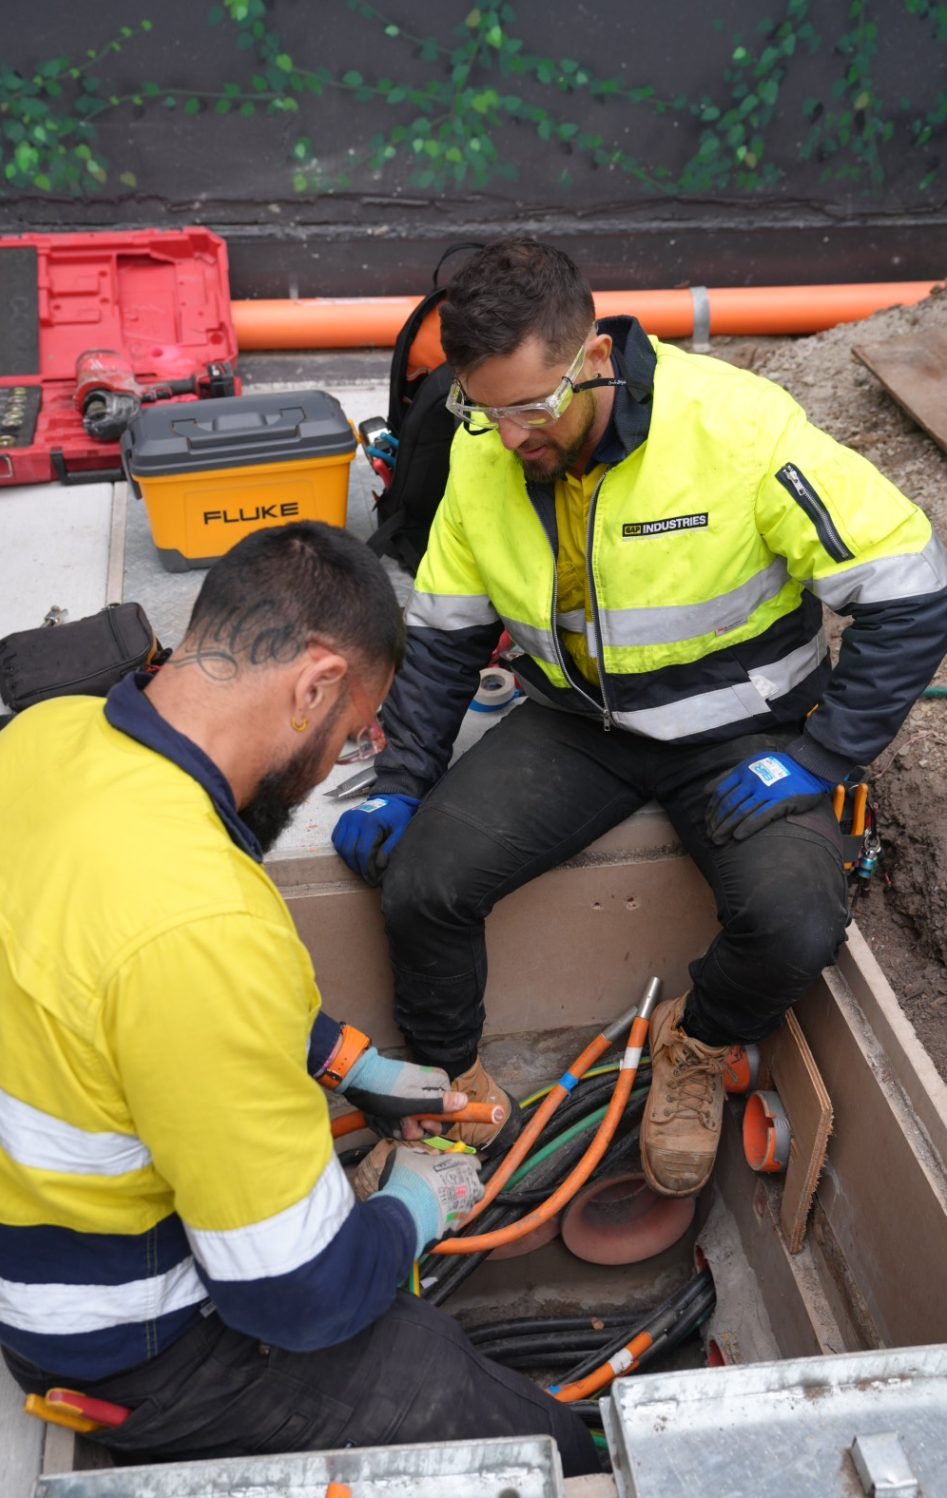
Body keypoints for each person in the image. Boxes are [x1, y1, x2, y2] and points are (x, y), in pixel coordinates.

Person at [0, 522, 597, 1474]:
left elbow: (106, 986)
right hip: (131, 1348)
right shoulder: (200, 923)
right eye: (357, 726)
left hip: (15, 1250)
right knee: (541, 1446)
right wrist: (414, 1203)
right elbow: (299, 1295)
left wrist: (344, 1061)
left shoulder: (42, 740)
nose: (342, 757)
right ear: (314, 684)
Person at [333, 238, 947, 1198]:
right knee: (420, 886)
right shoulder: (485, 449)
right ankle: (450, 1091)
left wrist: (823, 757)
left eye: (531, 406)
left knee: (793, 922)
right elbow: (449, 631)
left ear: (596, 359)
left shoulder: (735, 429)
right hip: (578, 726)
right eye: (484, 409)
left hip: (746, 735)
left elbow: (909, 588)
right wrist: (404, 779)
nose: (511, 434)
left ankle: (696, 1046)